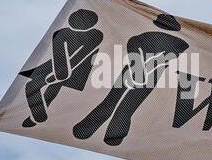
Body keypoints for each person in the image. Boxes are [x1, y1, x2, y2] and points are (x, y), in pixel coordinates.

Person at [73, 13, 188, 146]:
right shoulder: (177, 44)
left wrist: (140, 65)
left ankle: (88, 131)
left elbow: (134, 46)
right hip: (147, 75)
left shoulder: (147, 38)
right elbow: (163, 55)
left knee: (115, 103)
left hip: (138, 72)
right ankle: (110, 136)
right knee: (124, 106)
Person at [21, 9, 103, 127]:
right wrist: (60, 71)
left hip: (70, 68)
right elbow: (60, 54)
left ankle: (36, 117)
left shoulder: (92, 35)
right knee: (50, 86)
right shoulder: (94, 34)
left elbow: (81, 54)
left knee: (35, 86)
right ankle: (37, 116)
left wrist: (61, 72)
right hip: (61, 66)